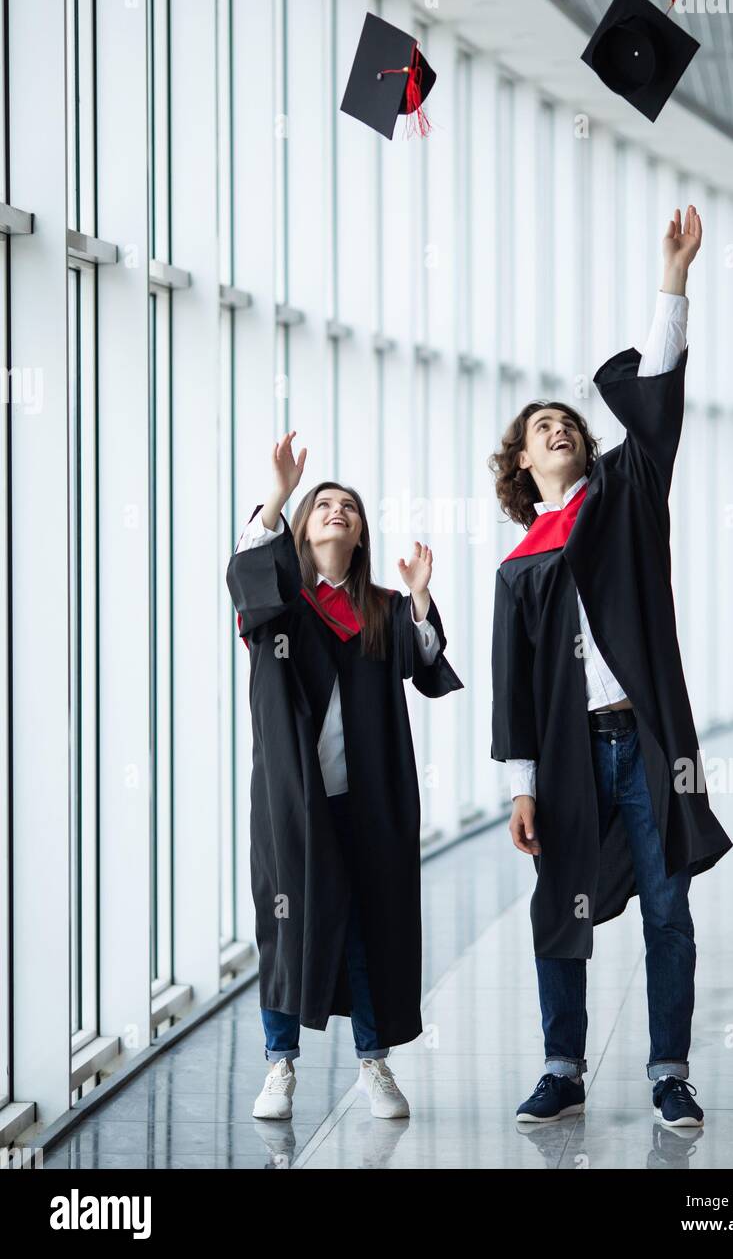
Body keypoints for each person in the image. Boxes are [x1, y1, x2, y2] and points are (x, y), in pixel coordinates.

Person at [489, 206, 733, 1129]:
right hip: (568, 755)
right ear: (520, 462)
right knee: (562, 908)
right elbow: (511, 688)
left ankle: (669, 1069)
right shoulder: (518, 567)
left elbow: (659, 398)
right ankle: (563, 1065)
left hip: (650, 736)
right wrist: (520, 784)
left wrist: (672, 281)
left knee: (668, 906)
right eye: (539, 426)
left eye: (566, 422)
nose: (557, 428)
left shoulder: (625, 493)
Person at [226, 431, 463, 1122]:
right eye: (323, 504)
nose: (337, 512)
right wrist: (278, 493)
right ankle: (279, 1068)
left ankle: (372, 1064)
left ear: (361, 536)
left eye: (349, 509)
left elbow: (426, 666)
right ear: (302, 526)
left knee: (366, 929)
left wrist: (420, 599)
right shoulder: (280, 606)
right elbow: (246, 569)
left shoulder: (383, 608)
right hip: (292, 801)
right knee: (287, 928)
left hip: (369, 803)